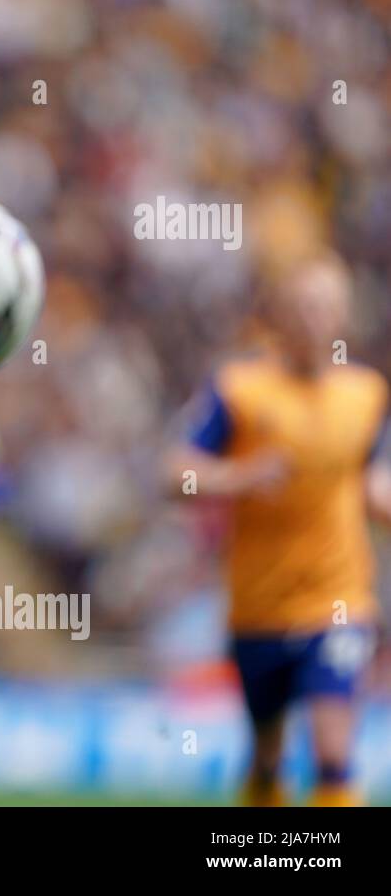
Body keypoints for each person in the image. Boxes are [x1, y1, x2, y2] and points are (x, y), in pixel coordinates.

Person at [167, 251, 391, 806]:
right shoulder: (240, 390)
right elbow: (176, 476)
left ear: (342, 319)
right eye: (303, 308)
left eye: (326, 309)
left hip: (337, 601)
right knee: (267, 757)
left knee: (332, 748)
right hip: (258, 605)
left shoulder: (365, 396)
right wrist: (239, 478)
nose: (314, 321)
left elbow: (377, 486)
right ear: (280, 317)